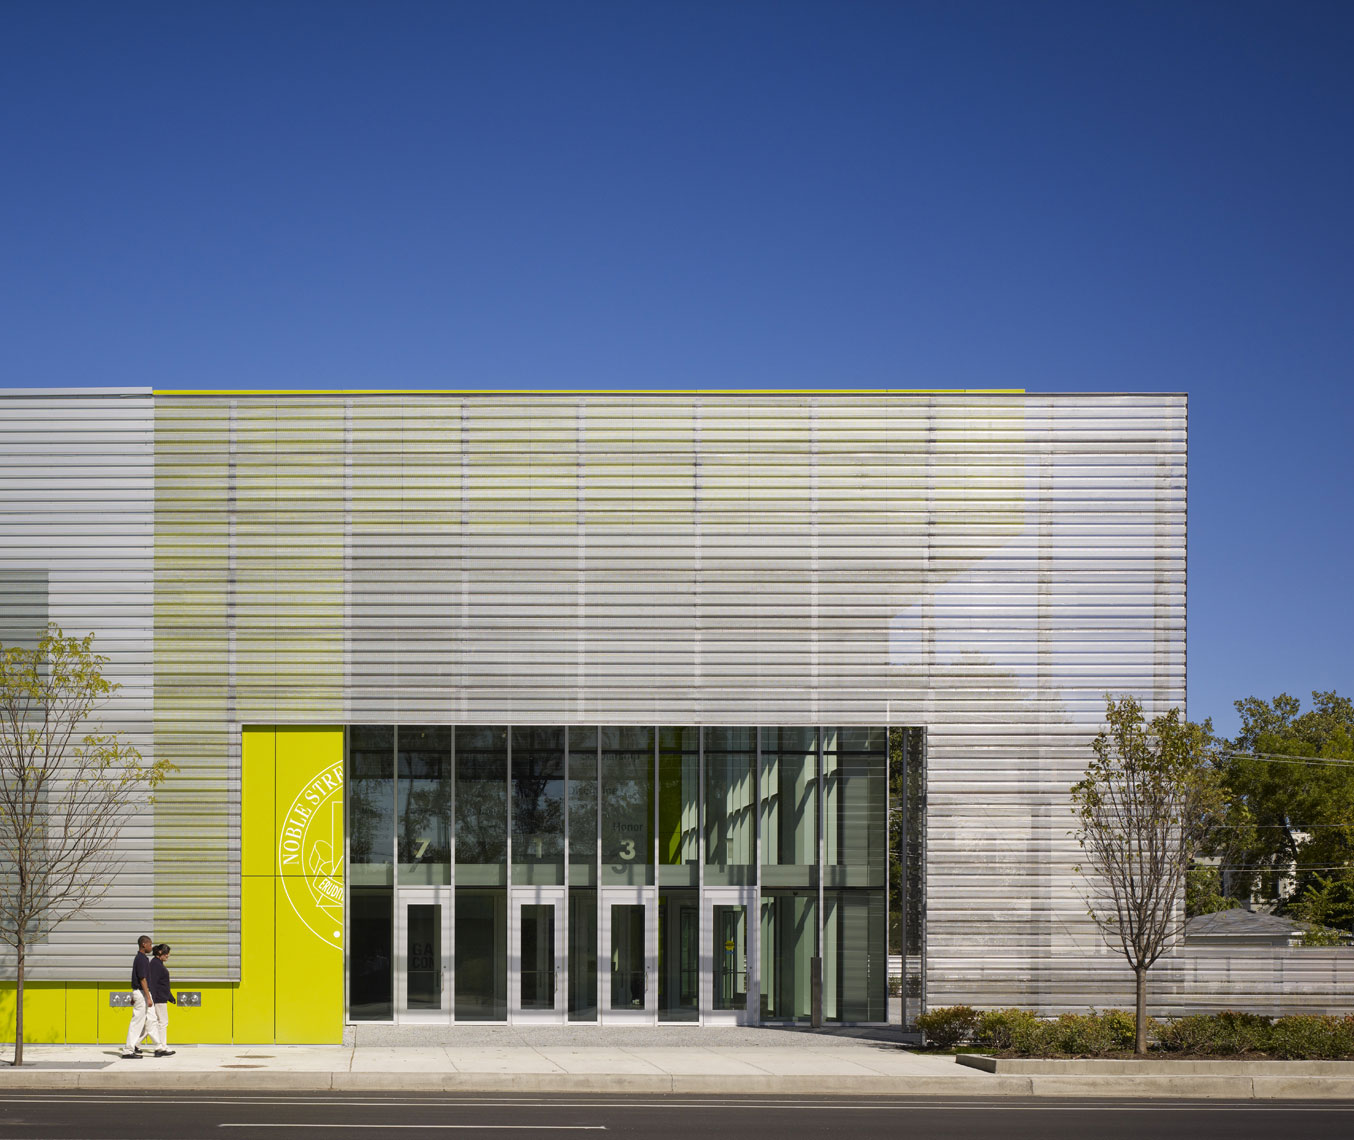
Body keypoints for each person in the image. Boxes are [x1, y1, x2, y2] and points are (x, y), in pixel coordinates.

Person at [122, 935, 155, 1059]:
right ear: (144, 945)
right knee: (136, 1022)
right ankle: (128, 1050)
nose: (151, 947)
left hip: (139, 993)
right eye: (150, 944)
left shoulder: (140, 958)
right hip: (141, 993)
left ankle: (133, 1046)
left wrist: (134, 995)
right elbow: (142, 979)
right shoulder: (141, 959)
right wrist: (148, 996)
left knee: (141, 1022)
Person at [146, 944, 176, 1057]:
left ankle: (135, 1045)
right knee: (162, 1023)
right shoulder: (155, 965)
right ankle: (162, 1046)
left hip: (161, 997)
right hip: (158, 999)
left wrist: (170, 997)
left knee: (152, 1023)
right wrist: (151, 999)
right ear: (160, 953)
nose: (168, 955)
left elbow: (162, 984)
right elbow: (153, 983)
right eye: (166, 953)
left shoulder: (157, 964)